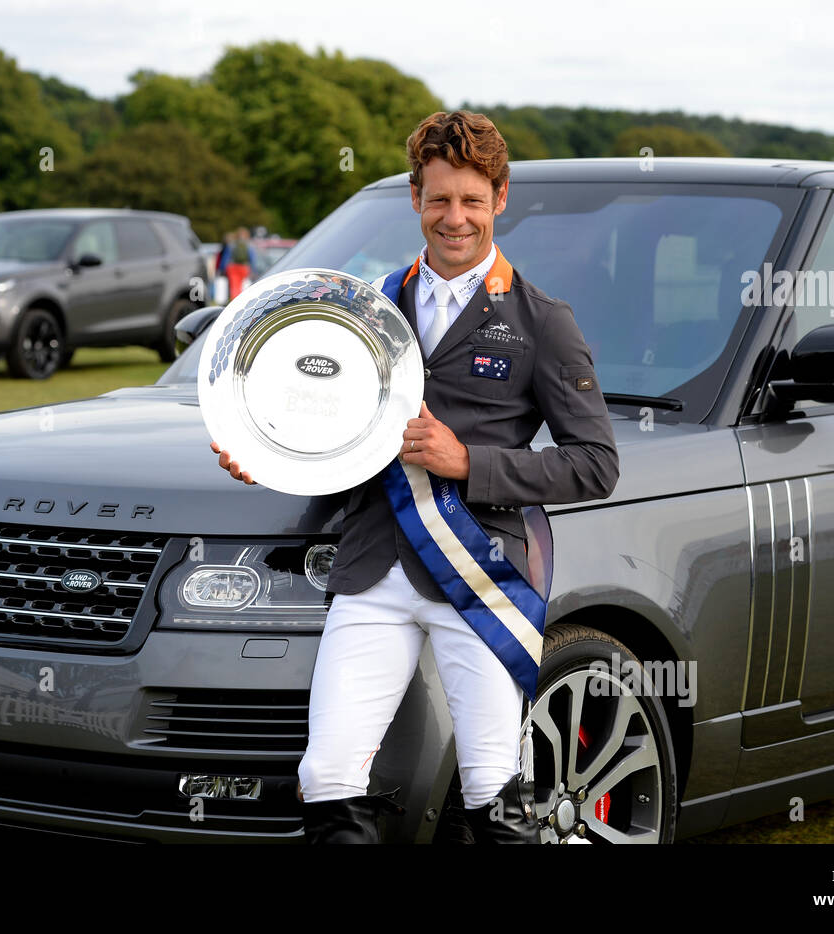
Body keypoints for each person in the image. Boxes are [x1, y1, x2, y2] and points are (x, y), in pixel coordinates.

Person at [211, 111, 620, 844]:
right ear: (415, 199)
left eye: (470, 199)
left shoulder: (541, 321)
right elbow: (330, 442)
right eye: (439, 200)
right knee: (328, 774)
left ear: (499, 199)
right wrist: (262, 456)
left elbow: (595, 464)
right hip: (372, 570)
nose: (454, 218)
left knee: (494, 785)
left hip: (482, 571)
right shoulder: (360, 313)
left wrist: (469, 462)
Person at [225, 227, 251, 302]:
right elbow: (252, 258)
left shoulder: (232, 244)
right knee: (242, 285)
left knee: (235, 285)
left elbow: (227, 257)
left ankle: (235, 301)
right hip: (244, 267)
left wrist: (223, 268)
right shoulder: (248, 244)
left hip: (233, 267)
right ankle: (242, 300)